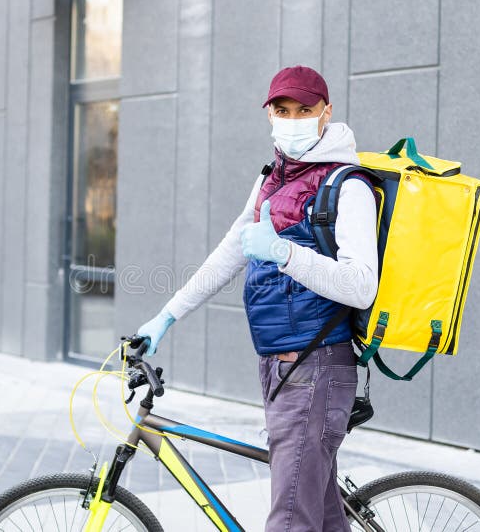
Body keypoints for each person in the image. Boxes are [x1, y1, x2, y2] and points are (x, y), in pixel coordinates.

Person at [136, 65, 379, 531]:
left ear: (326, 113)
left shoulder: (348, 186)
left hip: (317, 368)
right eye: (282, 109)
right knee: (320, 518)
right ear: (269, 114)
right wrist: (166, 316)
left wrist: (284, 253)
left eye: (304, 109)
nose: (292, 118)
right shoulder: (273, 177)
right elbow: (230, 252)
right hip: (281, 367)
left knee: (289, 522)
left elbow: (360, 284)